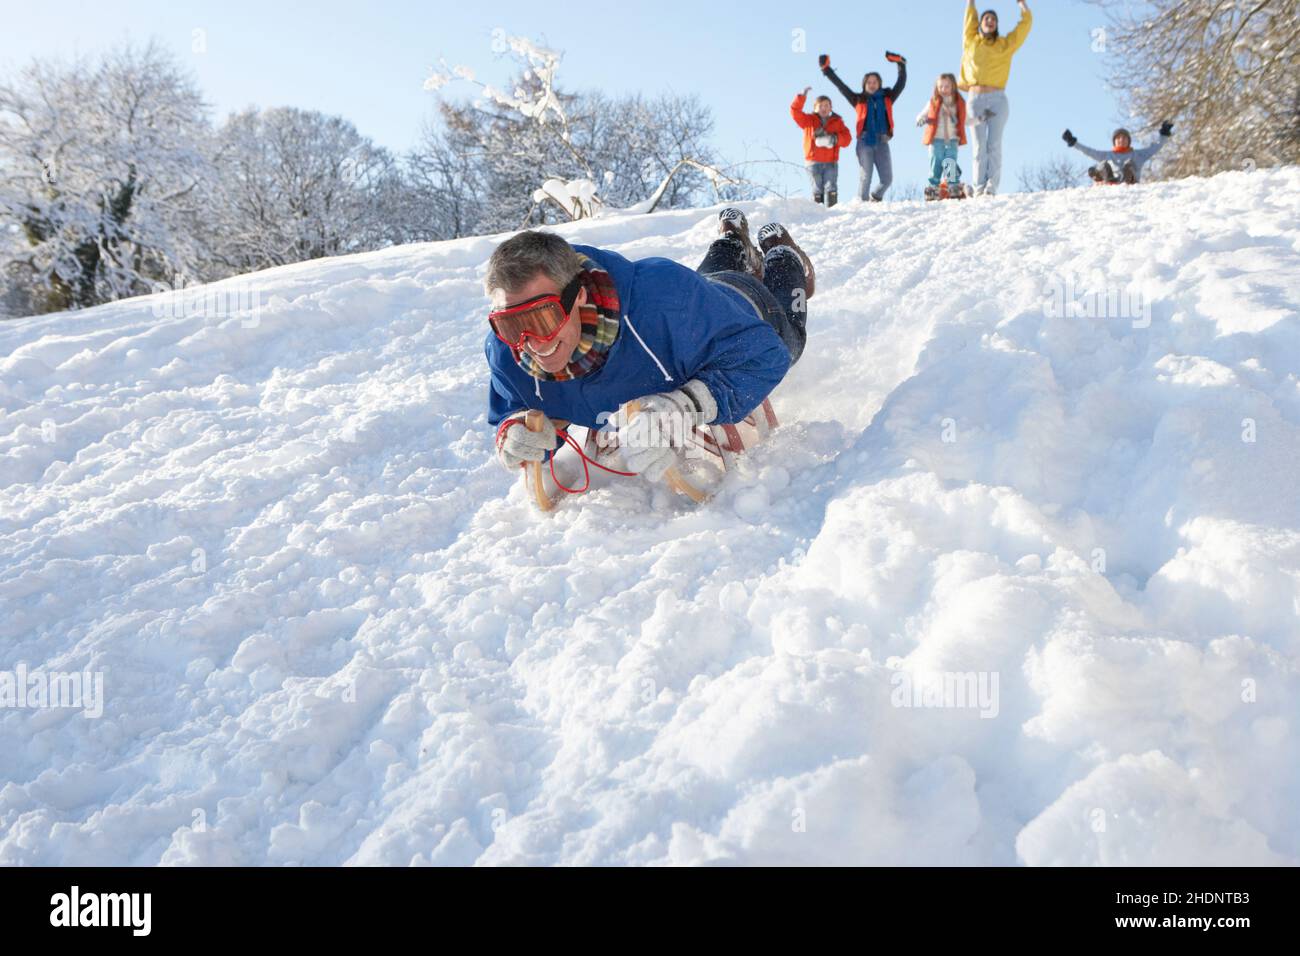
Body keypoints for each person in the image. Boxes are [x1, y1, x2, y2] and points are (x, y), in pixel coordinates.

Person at [485, 210, 815, 483]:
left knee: (790, 344)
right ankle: (731, 238)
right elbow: (513, 405)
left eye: (542, 319)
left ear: (579, 295)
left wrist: (685, 407)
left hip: (749, 308)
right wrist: (515, 432)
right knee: (711, 274)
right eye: (511, 325)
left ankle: (782, 254)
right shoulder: (506, 352)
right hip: (702, 296)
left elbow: (765, 356)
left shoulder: (666, 300)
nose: (529, 344)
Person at [959, 0, 1033, 196]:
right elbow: (969, 18)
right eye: (986, 18)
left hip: (997, 100)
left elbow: (1023, 28)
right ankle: (978, 187)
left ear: (997, 25)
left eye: (993, 19)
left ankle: (991, 186)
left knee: (994, 144)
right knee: (978, 145)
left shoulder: (1004, 45)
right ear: (980, 22)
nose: (990, 21)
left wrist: (1022, 5)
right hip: (975, 99)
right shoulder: (971, 40)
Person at [818, 50, 908, 202]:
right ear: (865, 84)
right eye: (869, 82)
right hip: (865, 141)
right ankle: (862, 206)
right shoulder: (858, 99)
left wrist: (901, 65)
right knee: (866, 177)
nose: (872, 85)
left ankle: (875, 197)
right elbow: (841, 86)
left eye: (875, 82)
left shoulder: (888, 98)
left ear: (879, 84)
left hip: (883, 141)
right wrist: (827, 70)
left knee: (887, 179)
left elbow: (901, 83)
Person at [791, 86, 853, 206]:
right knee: (817, 188)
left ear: (831, 108)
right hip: (813, 162)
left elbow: (847, 139)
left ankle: (832, 210)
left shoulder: (837, 122)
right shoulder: (808, 120)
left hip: (831, 162)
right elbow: (795, 111)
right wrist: (802, 96)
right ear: (815, 108)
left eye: (826, 105)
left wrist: (835, 139)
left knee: (831, 186)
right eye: (820, 105)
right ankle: (818, 213)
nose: (823, 108)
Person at [1062, 123, 1173, 184]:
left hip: (1131, 181)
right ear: (1114, 142)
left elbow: (1155, 147)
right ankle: (1103, 178)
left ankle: (1127, 180)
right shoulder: (1108, 155)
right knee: (1103, 165)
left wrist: (1164, 135)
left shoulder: (1138, 155)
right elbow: (1089, 151)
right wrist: (1073, 143)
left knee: (1129, 164)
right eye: (1118, 138)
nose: (1122, 140)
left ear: (1128, 141)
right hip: (1113, 181)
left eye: (1124, 138)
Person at [915, 72, 968, 199]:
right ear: (937, 88)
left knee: (950, 162)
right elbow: (922, 114)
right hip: (936, 139)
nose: (943, 89)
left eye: (947, 86)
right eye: (941, 87)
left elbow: (967, 118)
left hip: (952, 139)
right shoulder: (933, 102)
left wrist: (981, 118)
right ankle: (933, 187)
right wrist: (921, 119)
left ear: (953, 87)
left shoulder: (958, 103)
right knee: (936, 162)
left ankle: (953, 187)